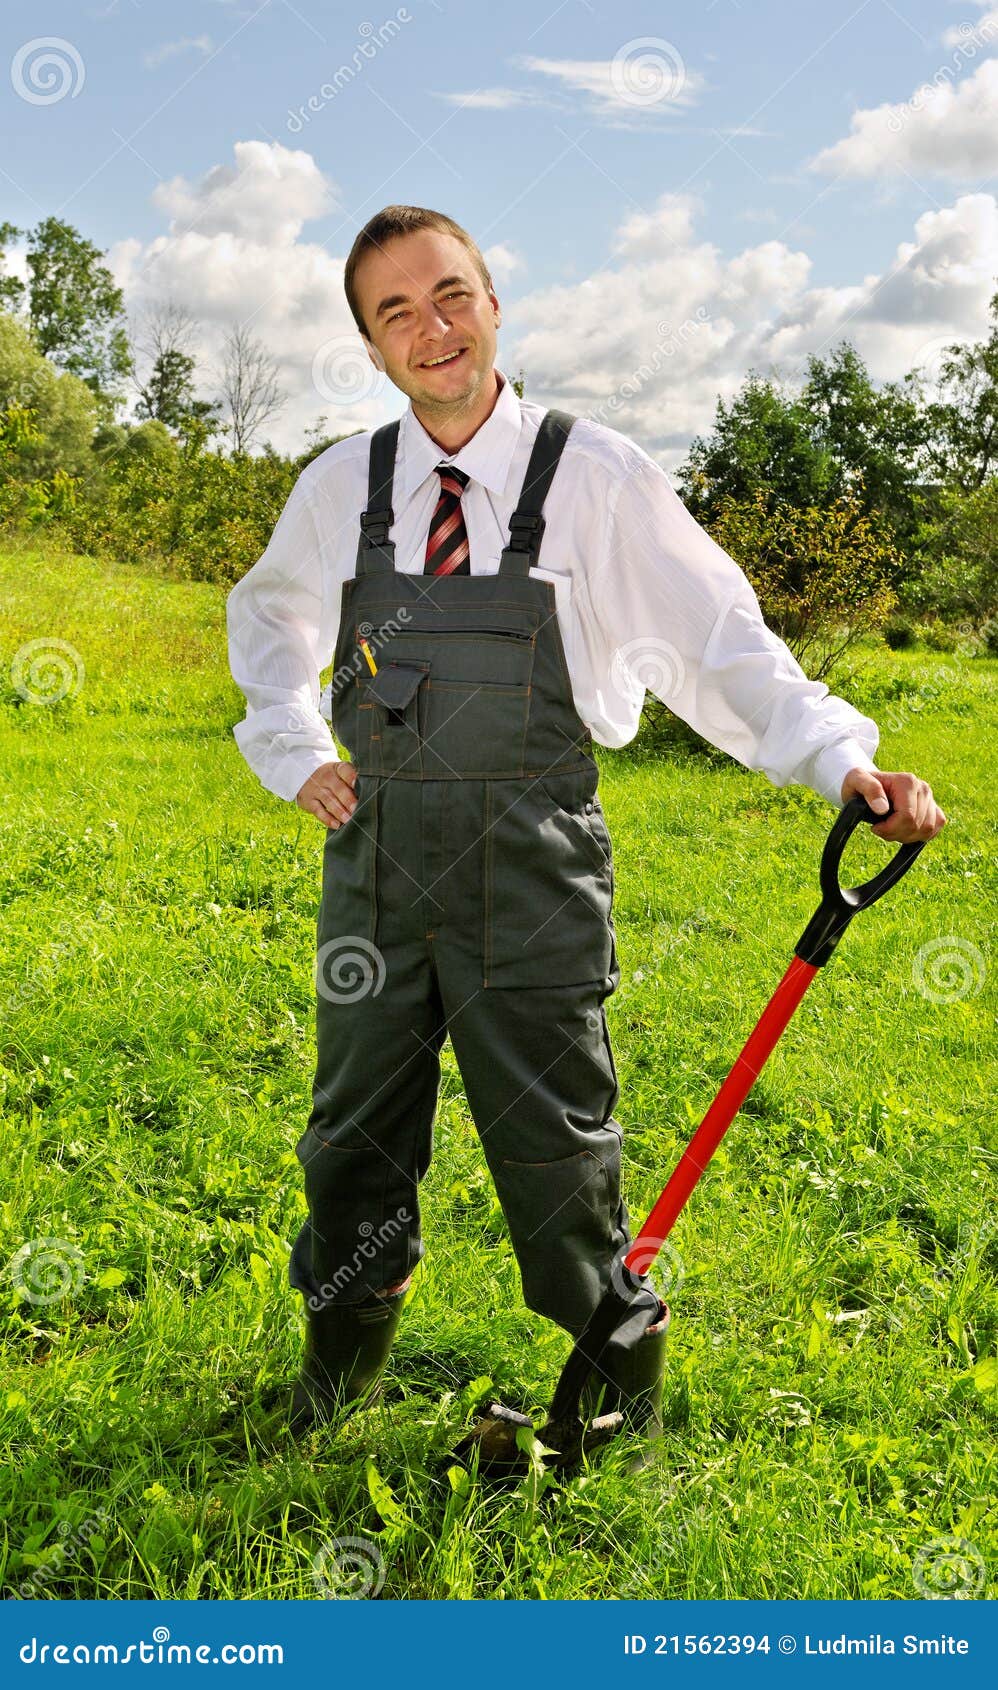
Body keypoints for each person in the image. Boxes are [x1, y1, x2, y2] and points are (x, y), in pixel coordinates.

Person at [225, 204, 946, 1466]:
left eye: (448, 293)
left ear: (493, 300)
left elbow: (721, 643)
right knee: (348, 1139)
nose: (429, 327)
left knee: (558, 1154)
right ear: (368, 342)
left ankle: (611, 1404)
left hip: (531, 872)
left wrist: (840, 759)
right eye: (394, 311)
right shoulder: (343, 488)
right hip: (377, 870)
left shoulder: (593, 475)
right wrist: (291, 751)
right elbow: (270, 624)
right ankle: (334, 1380)